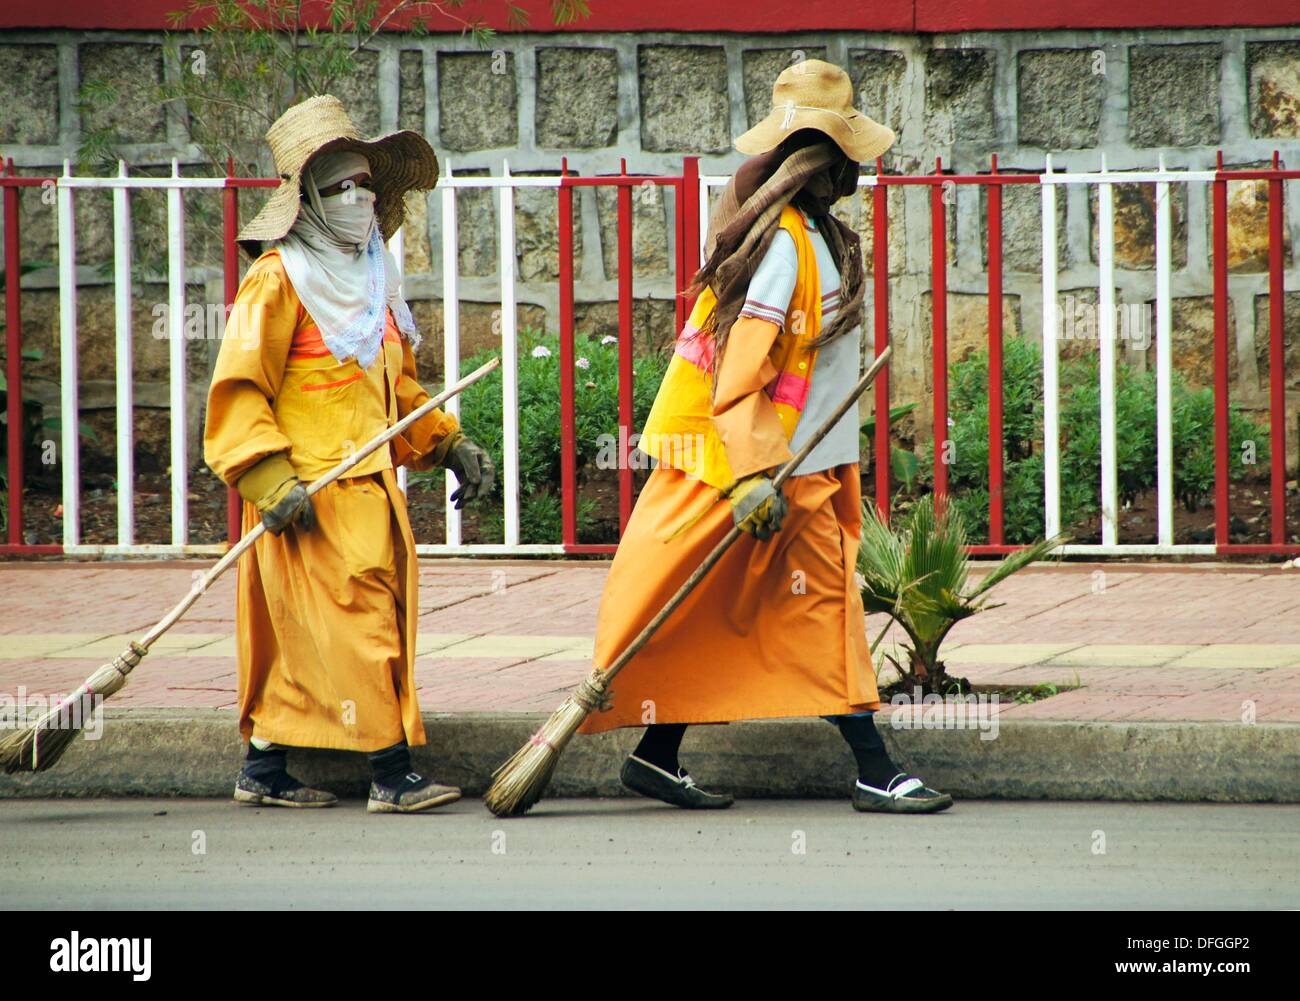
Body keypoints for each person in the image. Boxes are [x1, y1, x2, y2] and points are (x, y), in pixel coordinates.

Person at [579, 60, 951, 814]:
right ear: (827, 163)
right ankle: (876, 767)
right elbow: (741, 371)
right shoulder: (784, 244)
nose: (855, 173)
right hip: (758, 467)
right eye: (848, 158)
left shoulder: (810, 233)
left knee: (711, 608)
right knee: (825, 613)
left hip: (791, 463)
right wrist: (751, 474)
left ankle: (655, 754)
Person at [204, 95, 495, 813]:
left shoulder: (372, 278)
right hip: (309, 493)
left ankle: (263, 769)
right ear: (307, 199)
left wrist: (449, 442)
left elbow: (398, 387)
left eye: (366, 183)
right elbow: (238, 388)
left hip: (368, 486)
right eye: (342, 186)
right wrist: (271, 480)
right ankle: (392, 773)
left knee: (311, 634)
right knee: (362, 626)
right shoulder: (277, 280)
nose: (360, 197)